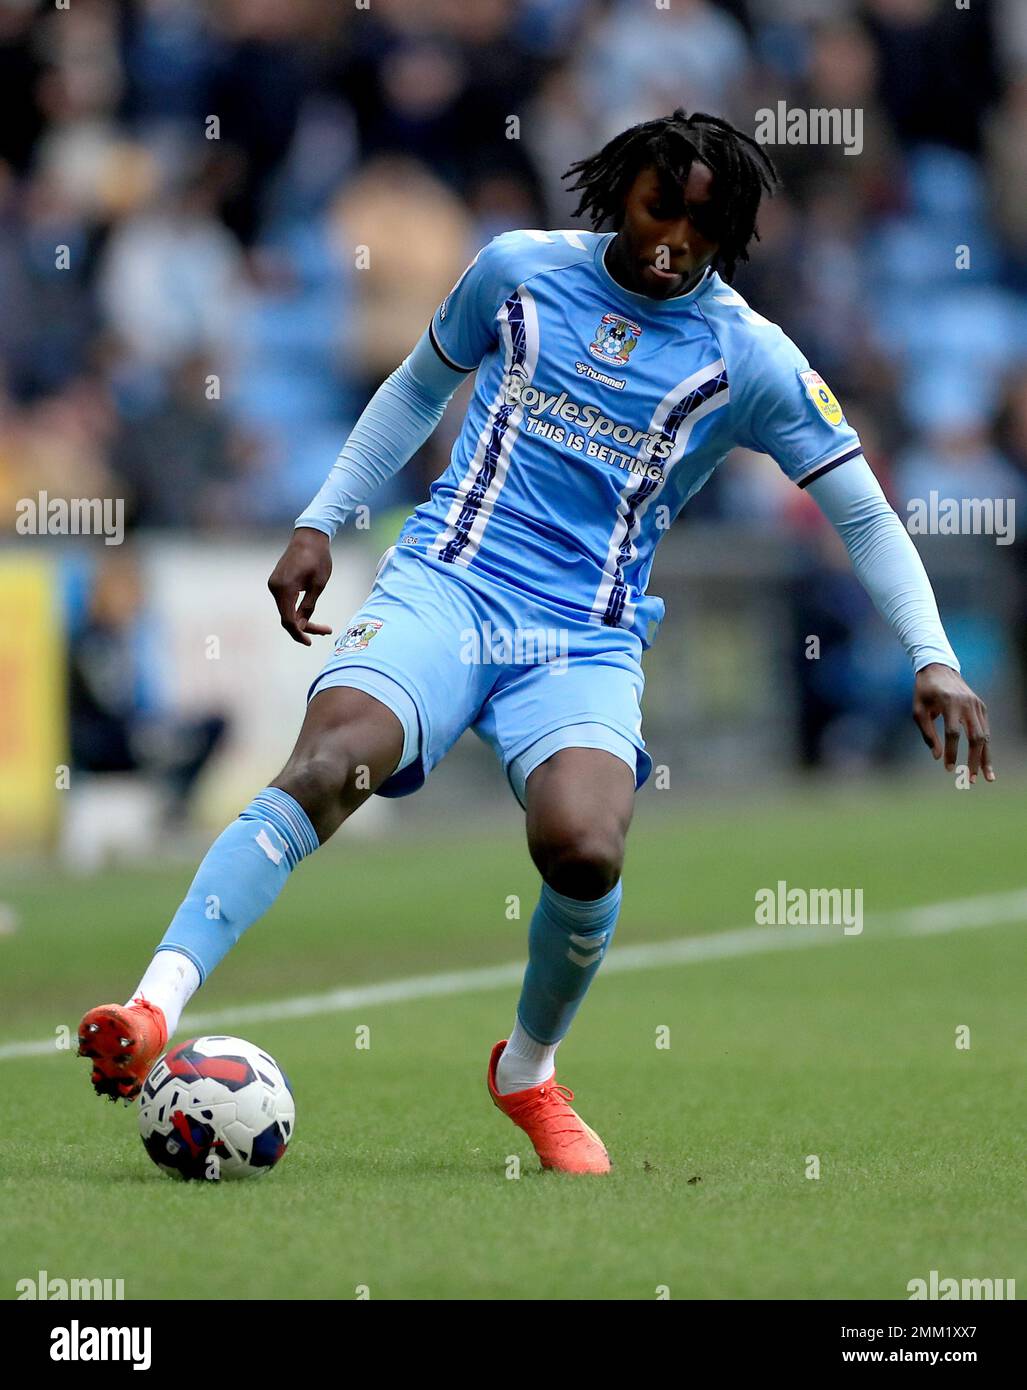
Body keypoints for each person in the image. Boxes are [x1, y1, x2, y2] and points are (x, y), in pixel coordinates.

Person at [78, 110, 994, 1174]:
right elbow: (418, 386)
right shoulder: (516, 271)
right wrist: (321, 520)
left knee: (585, 845)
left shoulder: (749, 358)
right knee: (332, 762)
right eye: (661, 212)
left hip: (582, 637)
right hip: (448, 587)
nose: (675, 244)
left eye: (704, 229)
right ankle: (152, 1007)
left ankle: (526, 1069)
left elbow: (865, 514)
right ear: (619, 194)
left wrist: (932, 651)